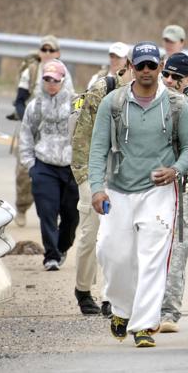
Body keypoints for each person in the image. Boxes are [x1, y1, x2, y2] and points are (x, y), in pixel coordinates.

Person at [88, 41, 188, 348]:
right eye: (141, 66)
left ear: (160, 67)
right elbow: (97, 149)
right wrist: (96, 188)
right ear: (131, 67)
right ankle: (121, 309)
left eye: (152, 65)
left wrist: (175, 170)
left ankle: (144, 325)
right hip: (118, 190)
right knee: (112, 253)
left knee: (152, 259)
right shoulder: (113, 103)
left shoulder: (177, 105)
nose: (147, 71)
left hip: (158, 192)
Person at [70, 52, 133, 316]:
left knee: (116, 236)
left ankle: (110, 296)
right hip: (93, 170)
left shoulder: (146, 93)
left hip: (123, 175)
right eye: (138, 67)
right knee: (91, 233)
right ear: (128, 67)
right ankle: (83, 289)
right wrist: (85, 178)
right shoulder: (103, 89)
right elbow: (82, 136)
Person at [159, 53, 188, 333]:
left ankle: (169, 312)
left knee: (178, 250)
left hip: (183, 189)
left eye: (176, 77)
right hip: (149, 186)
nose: (169, 80)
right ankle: (143, 308)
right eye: (166, 74)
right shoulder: (147, 101)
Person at [18, 60, 79, 271]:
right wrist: (30, 164)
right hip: (44, 166)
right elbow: (26, 134)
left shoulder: (76, 103)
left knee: (71, 215)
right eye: (47, 79)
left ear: (64, 80)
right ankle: (51, 256)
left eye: (55, 80)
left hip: (71, 167)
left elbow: (87, 133)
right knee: (47, 212)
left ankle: (62, 247)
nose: (51, 83)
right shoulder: (35, 105)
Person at [12, 35, 74, 227]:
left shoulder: (64, 72)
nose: (47, 53)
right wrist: (27, 118)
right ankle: (21, 208)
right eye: (44, 50)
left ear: (58, 53)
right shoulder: (31, 71)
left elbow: (70, 101)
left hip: (54, 131)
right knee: (24, 173)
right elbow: (19, 100)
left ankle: (53, 211)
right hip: (32, 123)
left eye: (51, 50)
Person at [161, 25, 188, 95]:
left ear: (182, 42)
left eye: (172, 41)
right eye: (167, 41)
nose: (168, 45)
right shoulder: (157, 65)